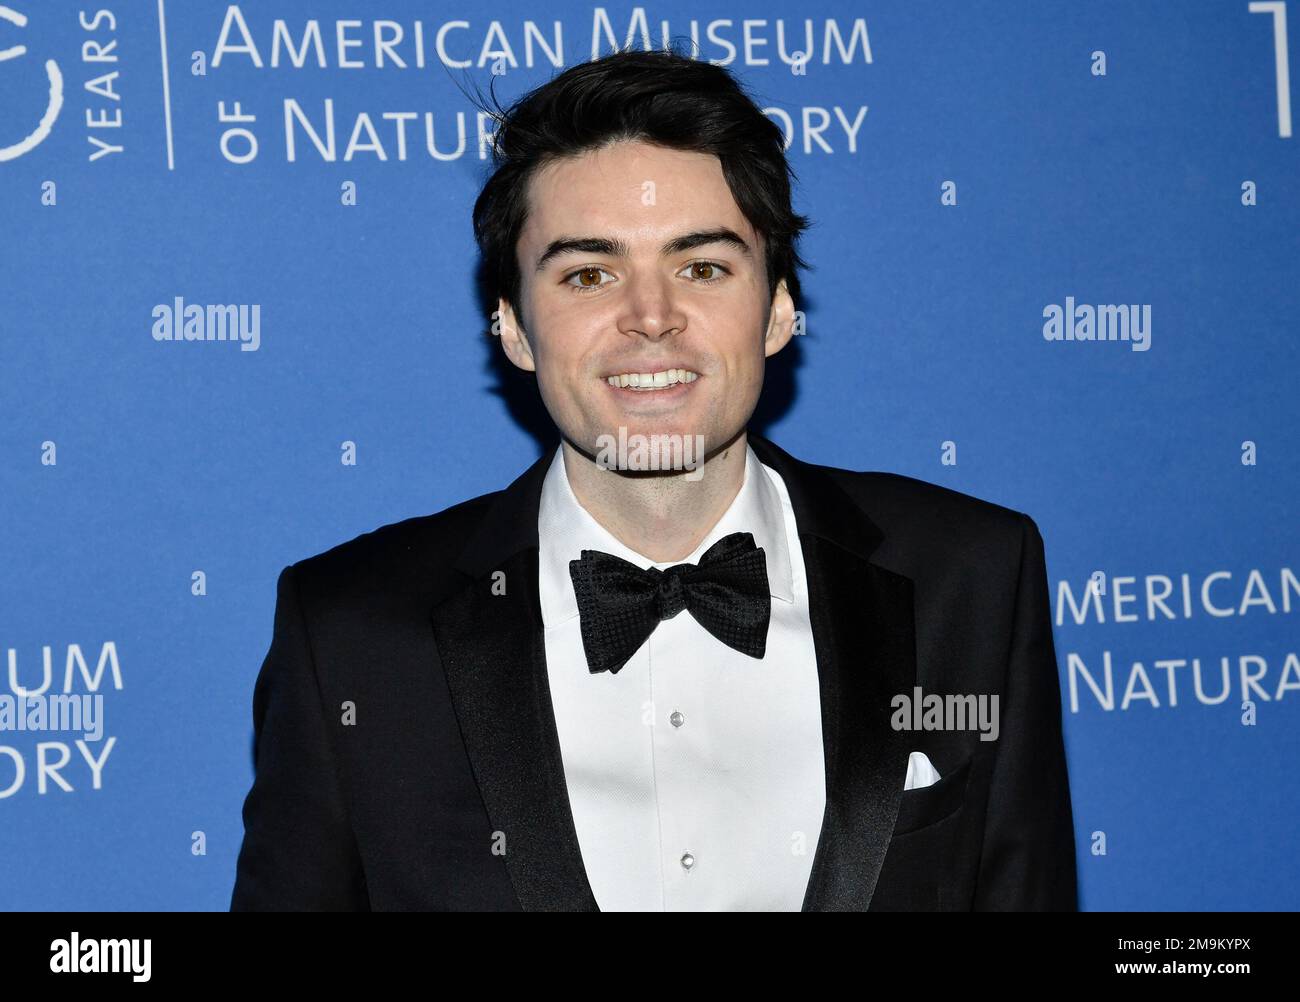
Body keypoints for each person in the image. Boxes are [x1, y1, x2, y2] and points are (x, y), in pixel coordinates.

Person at [230, 47, 1077, 911]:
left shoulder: (969, 579)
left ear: (780, 307)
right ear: (514, 329)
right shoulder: (352, 637)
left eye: (702, 266)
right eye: (589, 274)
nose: (651, 317)